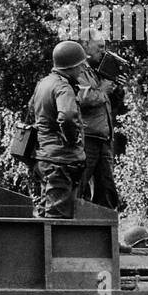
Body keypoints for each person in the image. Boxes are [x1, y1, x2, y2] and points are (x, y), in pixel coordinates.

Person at [29, 41, 89, 219]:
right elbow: (68, 116)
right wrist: (72, 140)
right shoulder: (63, 87)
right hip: (60, 160)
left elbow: (32, 109)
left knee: (44, 212)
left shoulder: (44, 83)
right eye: (80, 65)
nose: (82, 69)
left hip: (44, 158)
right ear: (72, 66)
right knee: (58, 218)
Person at [77, 36, 121, 210]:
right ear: (86, 45)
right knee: (80, 188)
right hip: (87, 138)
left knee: (107, 191)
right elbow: (82, 98)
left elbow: (108, 104)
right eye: (100, 47)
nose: (103, 51)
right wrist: (103, 90)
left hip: (102, 138)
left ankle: (105, 230)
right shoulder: (78, 71)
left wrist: (115, 90)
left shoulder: (95, 72)